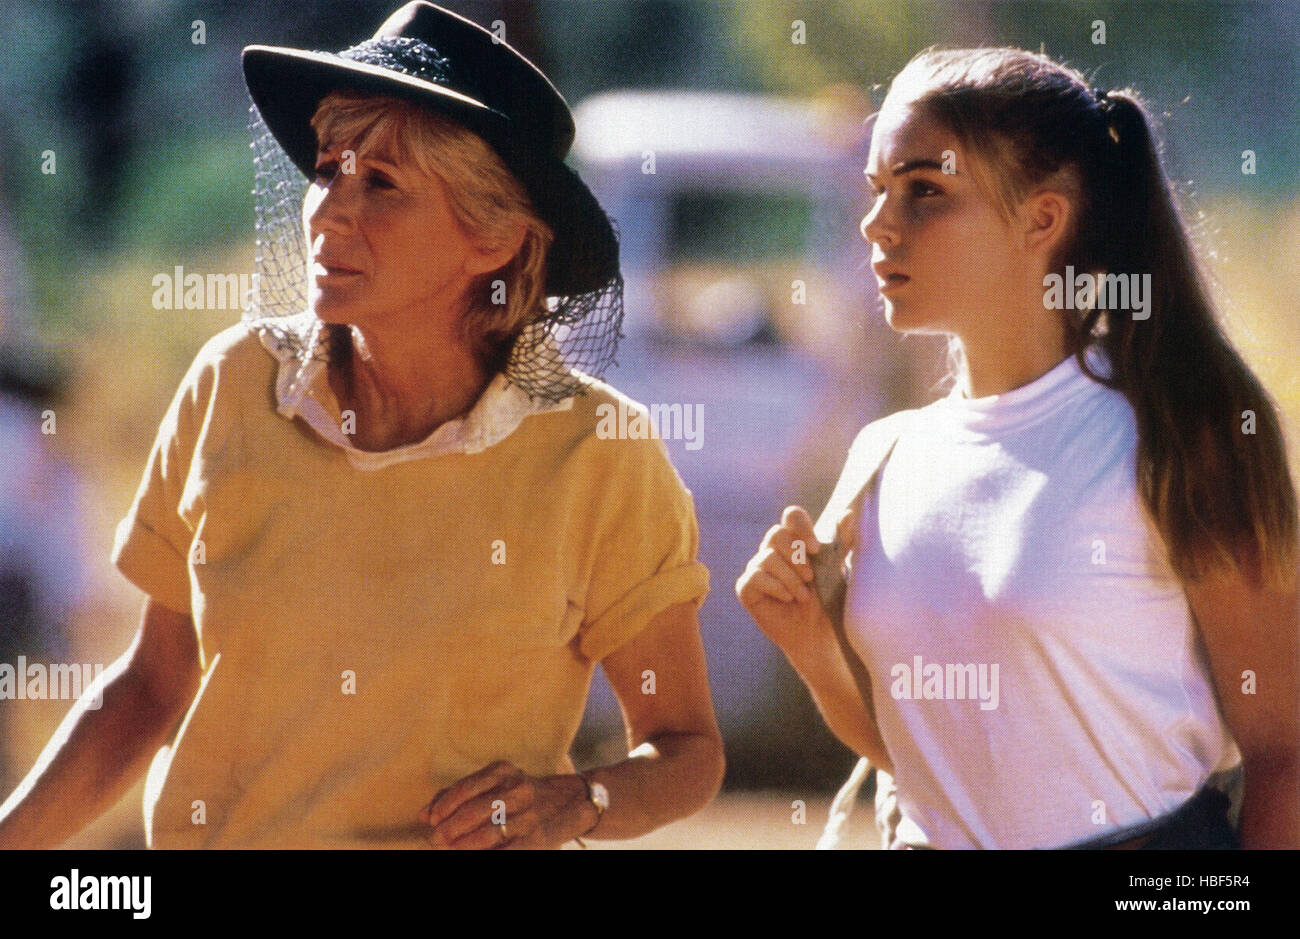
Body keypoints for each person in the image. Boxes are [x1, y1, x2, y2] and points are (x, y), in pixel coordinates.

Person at [0, 1, 723, 850]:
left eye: (381, 183)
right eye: (328, 168)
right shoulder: (234, 385)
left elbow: (687, 750)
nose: (329, 211)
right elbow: (149, 686)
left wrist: (580, 800)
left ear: (491, 241)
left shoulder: (599, 453)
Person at [738, 47, 1299, 849]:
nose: (878, 223)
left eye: (924, 190)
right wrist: (810, 644)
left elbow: (1286, 750)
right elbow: (932, 763)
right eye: (878, 190)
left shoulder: (1181, 430)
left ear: (1043, 218)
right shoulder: (883, 458)